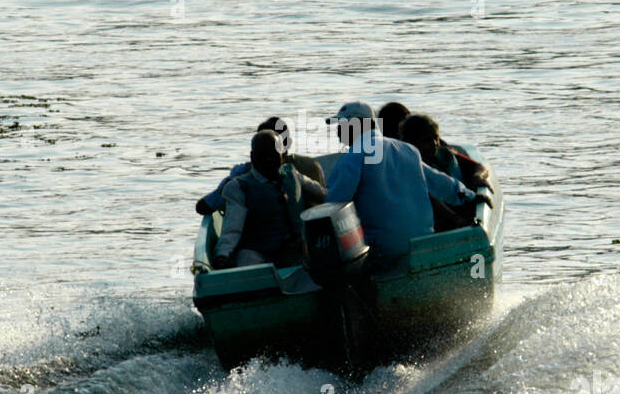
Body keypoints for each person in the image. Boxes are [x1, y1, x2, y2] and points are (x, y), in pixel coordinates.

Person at [323, 102, 490, 259]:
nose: (338, 131)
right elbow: (439, 182)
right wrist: (470, 196)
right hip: (422, 241)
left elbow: (335, 206)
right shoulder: (407, 149)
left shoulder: (351, 158)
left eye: (341, 125)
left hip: (383, 248)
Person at [213, 130, 326, 270]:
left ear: (283, 156)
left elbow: (324, 195)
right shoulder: (238, 187)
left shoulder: (293, 175)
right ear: (252, 157)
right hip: (255, 252)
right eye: (262, 155)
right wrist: (222, 255)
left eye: (273, 155)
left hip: (294, 250)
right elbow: (232, 228)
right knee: (247, 265)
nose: (268, 160)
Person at [195, 117, 325, 215]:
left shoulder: (242, 175)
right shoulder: (309, 166)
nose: (269, 159)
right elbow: (325, 204)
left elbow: (205, 206)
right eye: (264, 151)